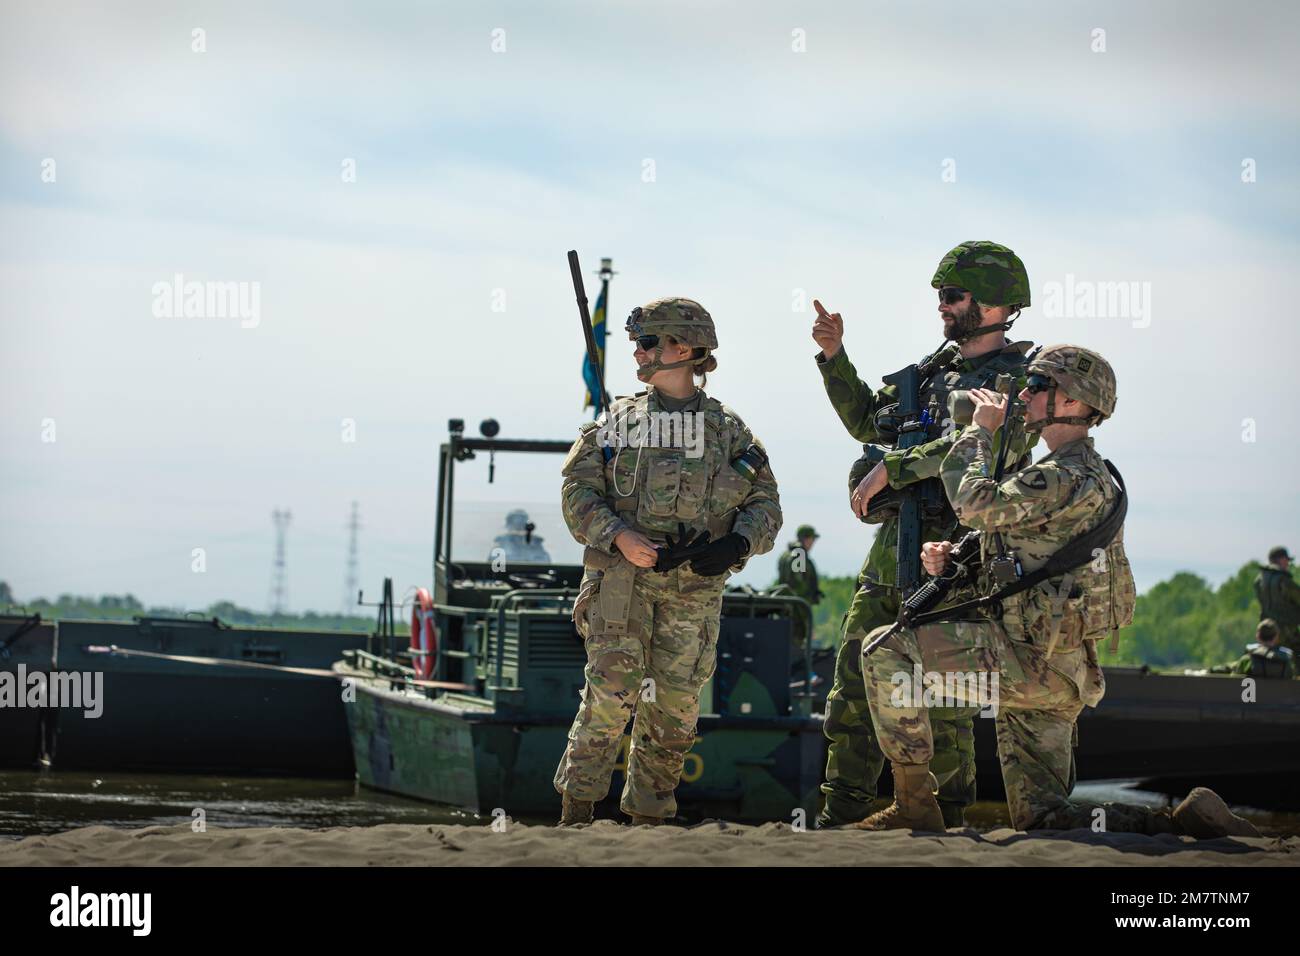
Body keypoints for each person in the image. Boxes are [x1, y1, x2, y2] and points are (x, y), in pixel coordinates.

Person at [858, 345, 1259, 839]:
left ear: (1071, 403)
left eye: (1039, 386)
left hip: (1026, 663)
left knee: (884, 649)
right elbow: (1029, 559)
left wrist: (978, 431)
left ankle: (915, 806)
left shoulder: (1065, 476)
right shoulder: (1083, 476)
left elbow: (973, 502)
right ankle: (1174, 822)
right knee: (1045, 819)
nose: (1024, 394)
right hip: (1057, 672)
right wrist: (957, 561)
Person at [810, 240, 1037, 828]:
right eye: (940, 295)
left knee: (946, 699)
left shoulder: (1023, 378)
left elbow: (995, 443)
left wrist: (898, 466)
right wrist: (835, 357)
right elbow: (866, 419)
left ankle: (948, 819)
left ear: (995, 305)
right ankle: (841, 815)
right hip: (894, 548)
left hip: (959, 554)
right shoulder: (932, 373)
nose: (943, 305)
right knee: (853, 684)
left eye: (954, 295)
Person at [553, 297, 782, 826]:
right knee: (610, 697)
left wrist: (737, 545)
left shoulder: (729, 432)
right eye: (639, 342)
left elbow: (766, 503)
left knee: (675, 710)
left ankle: (650, 822)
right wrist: (618, 536)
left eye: (649, 341)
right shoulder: (618, 422)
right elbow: (576, 491)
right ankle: (576, 814)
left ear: (684, 348)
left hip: (693, 594)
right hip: (623, 583)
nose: (638, 352)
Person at [1214, 619, 1296, 679]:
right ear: (1276, 637)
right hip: (1281, 701)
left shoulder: (1247, 660)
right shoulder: (1287, 661)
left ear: (1258, 636)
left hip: (1251, 701)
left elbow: (1234, 682)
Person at [1254, 547, 1300, 651]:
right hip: (1287, 634)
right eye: (1287, 560)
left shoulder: (1259, 580)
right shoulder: (1282, 580)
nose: (1288, 564)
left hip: (1266, 633)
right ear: (1281, 559)